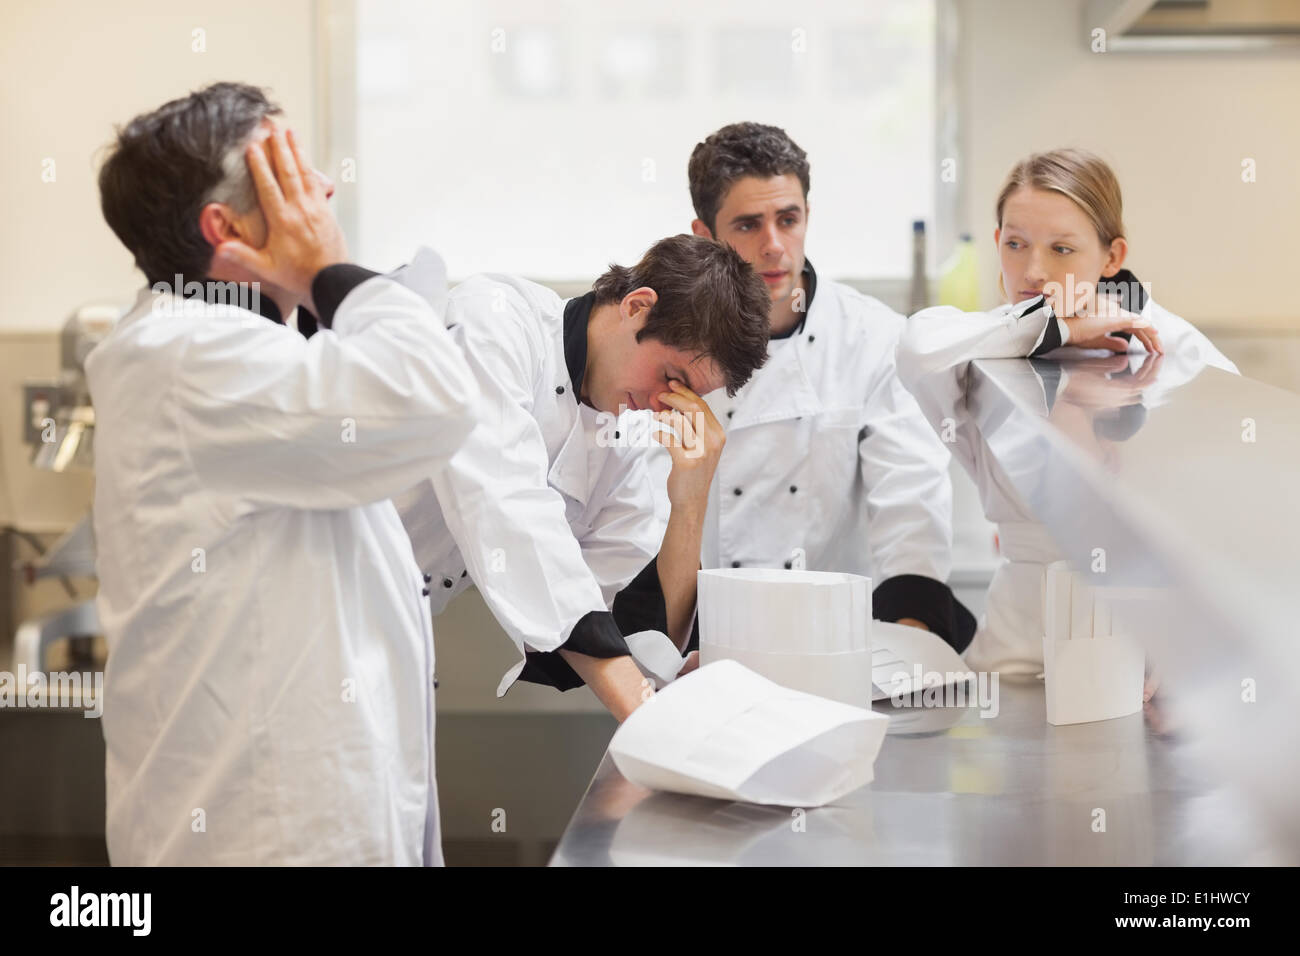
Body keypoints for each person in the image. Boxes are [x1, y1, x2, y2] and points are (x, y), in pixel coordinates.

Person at [89, 83, 477, 864]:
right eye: (293, 178)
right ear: (225, 227)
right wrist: (329, 270)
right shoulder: (187, 359)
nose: (323, 190)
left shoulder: (244, 351)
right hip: (259, 836)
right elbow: (434, 400)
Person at [392, 234, 773, 715]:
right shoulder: (498, 320)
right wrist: (645, 714)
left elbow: (639, 634)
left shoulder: (626, 437)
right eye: (670, 378)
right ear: (637, 307)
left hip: (398, 619)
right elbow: (504, 507)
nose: (665, 404)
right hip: (309, 576)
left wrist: (691, 497)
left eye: (690, 395)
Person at [632, 122, 973, 651]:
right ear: (704, 235)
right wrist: (669, 651)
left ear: (807, 217)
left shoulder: (872, 338)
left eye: (787, 219)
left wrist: (909, 648)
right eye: (748, 225)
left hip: (837, 640)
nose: (774, 247)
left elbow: (911, 501)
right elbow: (646, 509)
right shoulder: (671, 348)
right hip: (707, 640)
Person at [898, 147, 1239, 676]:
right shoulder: (984, 341)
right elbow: (917, 346)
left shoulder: (1166, 344)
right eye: (1015, 244)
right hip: (1014, 647)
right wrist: (1056, 327)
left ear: (1111, 257)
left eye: (1061, 249)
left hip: (1138, 646)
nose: (1033, 271)